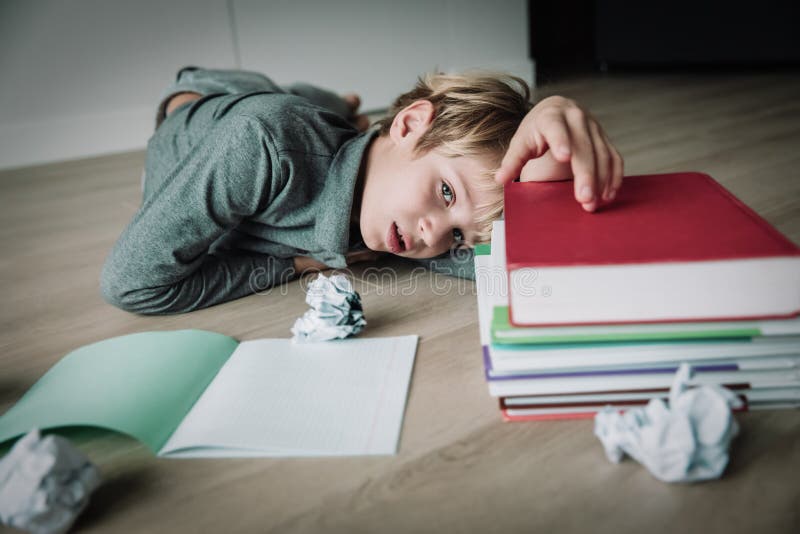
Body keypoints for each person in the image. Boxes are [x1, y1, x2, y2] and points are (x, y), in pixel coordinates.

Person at [100, 67, 623, 314]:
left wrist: (552, 141)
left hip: (319, 130)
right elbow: (132, 285)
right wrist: (297, 265)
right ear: (411, 124)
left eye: (459, 234)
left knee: (317, 111)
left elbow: (526, 262)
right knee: (273, 99)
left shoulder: (419, 225)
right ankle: (337, 104)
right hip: (204, 111)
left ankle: (343, 112)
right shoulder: (263, 143)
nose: (435, 237)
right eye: (445, 193)